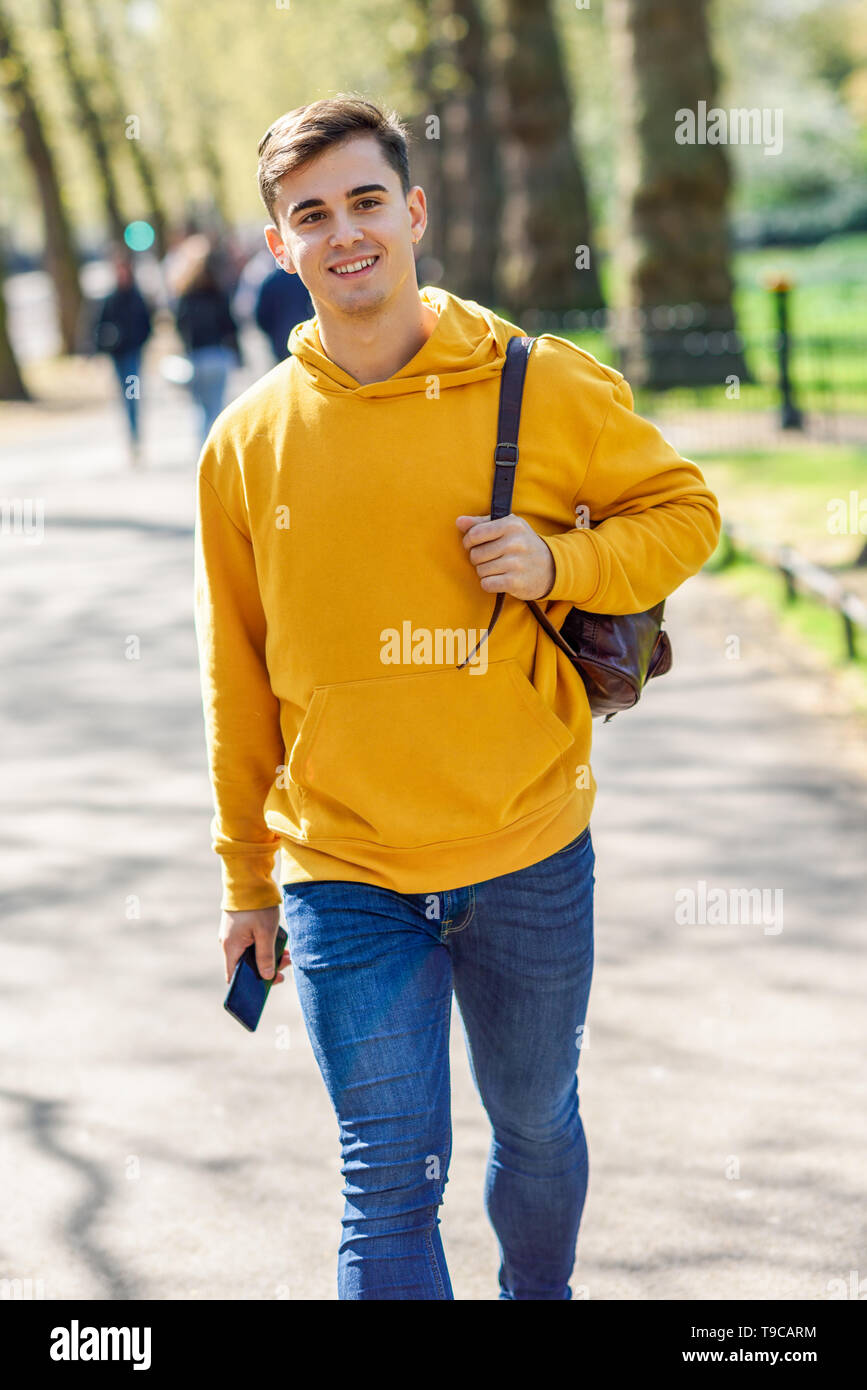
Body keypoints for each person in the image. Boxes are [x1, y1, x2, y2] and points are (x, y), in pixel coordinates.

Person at [193, 95, 722, 1300]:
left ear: (414, 211)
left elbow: (685, 510)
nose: (346, 235)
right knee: (387, 1176)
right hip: (345, 868)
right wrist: (244, 880)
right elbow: (232, 675)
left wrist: (561, 565)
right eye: (311, 215)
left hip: (529, 842)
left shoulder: (537, 385)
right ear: (279, 244)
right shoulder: (246, 443)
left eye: (367, 202)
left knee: (536, 1125)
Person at [174, 242, 242, 445]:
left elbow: (180, 325)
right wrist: (238, 354)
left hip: (196, 356)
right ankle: (216, 453)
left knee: (200, 409)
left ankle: (204, 451)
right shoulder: (218, 291)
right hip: (218, 354)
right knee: (217, 408)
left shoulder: (185, 296)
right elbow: (229, 325)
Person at [92, 251, 152, 467]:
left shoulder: (137, 297)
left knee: (132, 396)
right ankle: (131, 437)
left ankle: (135, 437)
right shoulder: (109, 299)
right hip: (117, 357)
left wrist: (138, 341)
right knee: (125, 397)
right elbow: (97, 327)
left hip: (133, 356)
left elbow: (147, 325)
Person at [254, 259, 314, 361]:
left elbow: (261, 316)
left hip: (281, 341)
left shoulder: (270, 281)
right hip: (306, 337)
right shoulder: (303, 278)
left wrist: (273, 333)